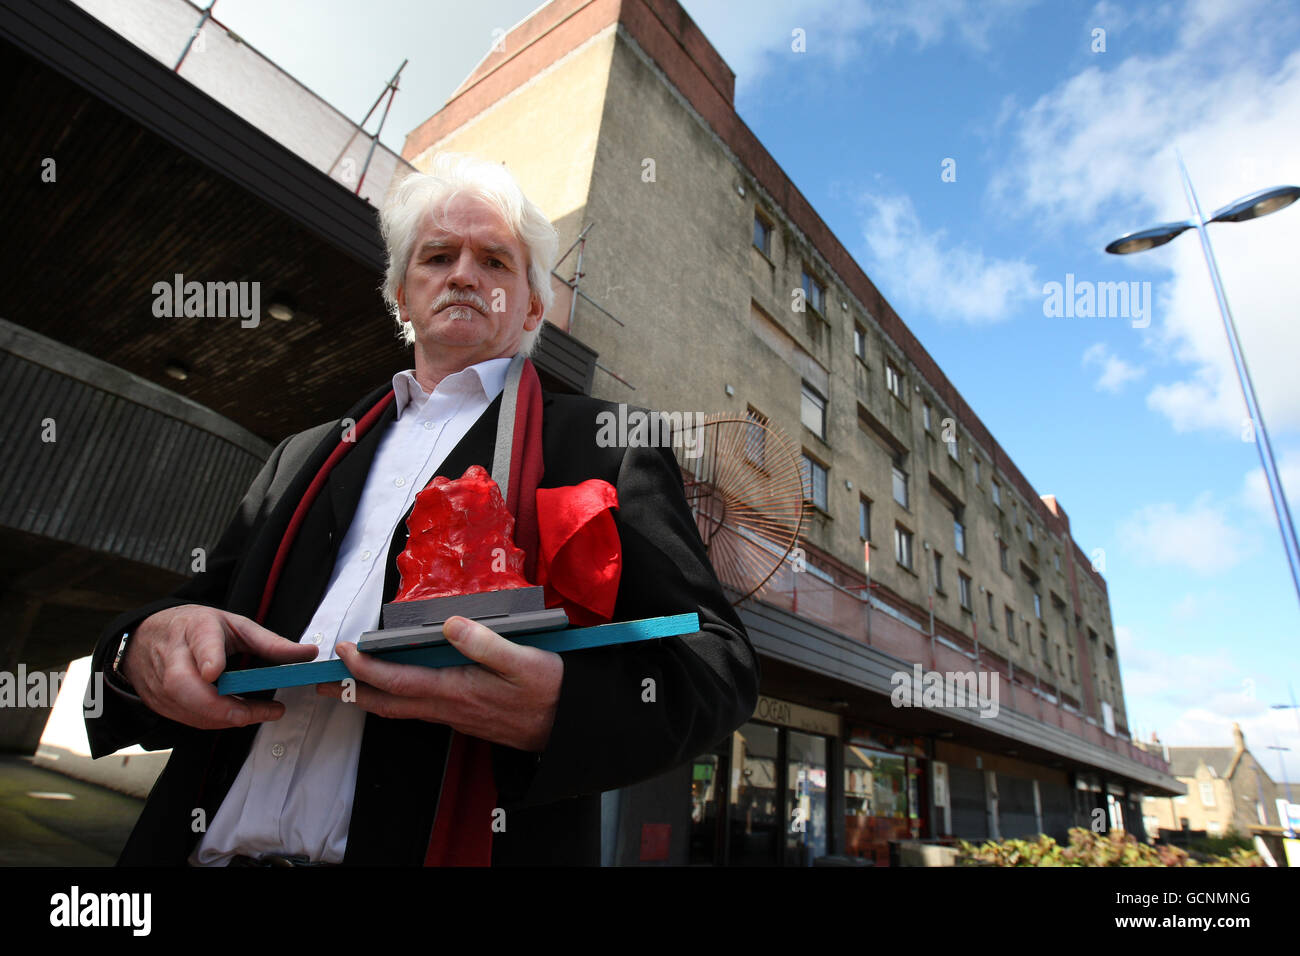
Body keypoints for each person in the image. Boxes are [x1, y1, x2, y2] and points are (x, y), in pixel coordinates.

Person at [84, 152, 759, 866]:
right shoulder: (300, 455)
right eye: (438, 256)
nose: (464, 275)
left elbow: (716, 660)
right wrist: (138, 650)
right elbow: (196, 609)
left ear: (532, 306)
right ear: (403, 295)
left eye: (496, 262)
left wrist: (564, 710)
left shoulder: (609, 445)